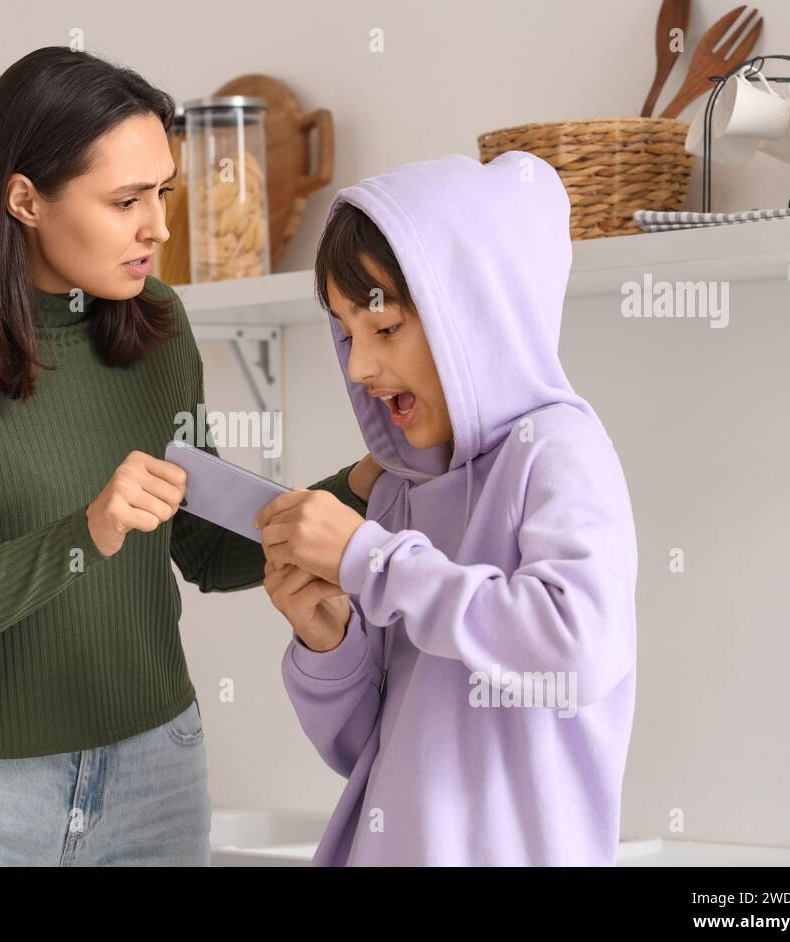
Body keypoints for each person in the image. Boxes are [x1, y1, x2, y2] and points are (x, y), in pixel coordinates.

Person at [0, 46, 381, 866]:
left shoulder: (155, 324)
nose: (159, 226)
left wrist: (369, 482)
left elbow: (203, 543)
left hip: (151, 779)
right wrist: (81, 536)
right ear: (24, 198)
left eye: (163, 192)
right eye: (125, 200)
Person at [254, 152, 639, 865]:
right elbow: (360, 750)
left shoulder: (557, 449)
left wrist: (371, 559)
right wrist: (328, 642)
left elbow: (577, 653)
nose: (360, 368)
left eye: (385, 328)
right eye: (346, 334)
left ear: (475, 315)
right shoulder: (400, 490)